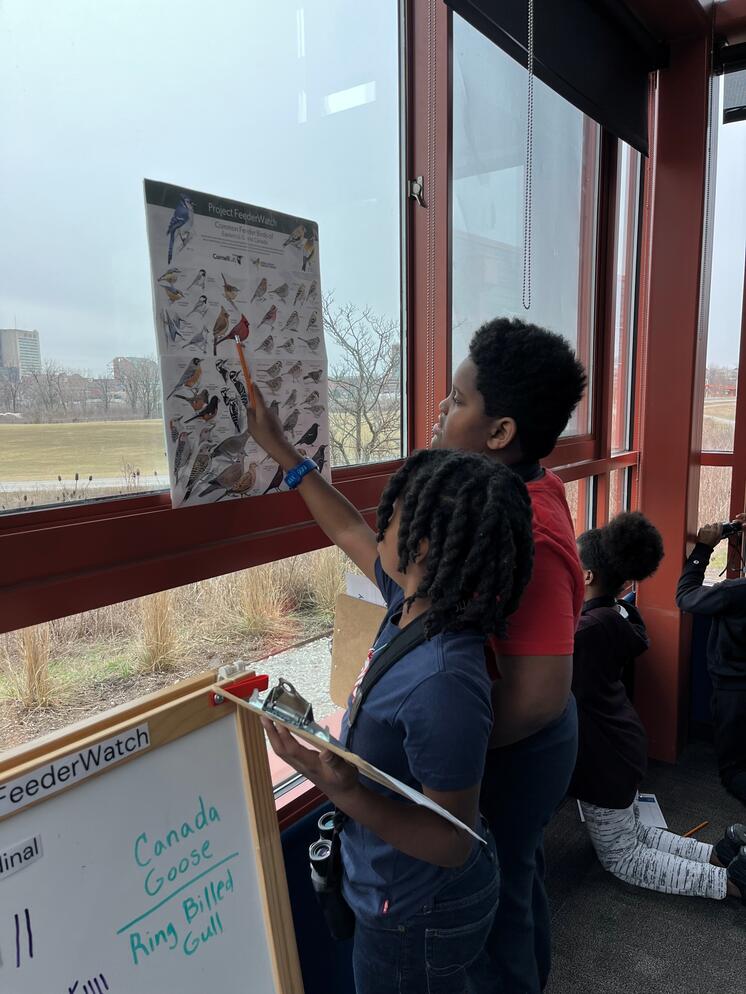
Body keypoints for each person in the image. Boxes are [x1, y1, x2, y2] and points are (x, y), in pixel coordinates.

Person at [245, 390, 535, 994]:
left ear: (423, 549)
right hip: (394, 887)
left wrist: (336, 785)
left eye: (395, 513)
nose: (379, 519)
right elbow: (346, 525)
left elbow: (453, 842)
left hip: (415, 913)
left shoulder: (444, 682)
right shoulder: (416, 602)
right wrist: (282, 451)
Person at [431, 317, 586, 994]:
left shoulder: (534, 532)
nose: (441, 409)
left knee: (497, 903)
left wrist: (447, 752)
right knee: (515, 879)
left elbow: (537, 697)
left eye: (457, 400)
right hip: (510, 739)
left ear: (500, 434)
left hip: (520, 746)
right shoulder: (504, 492)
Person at [570, 511, 746, 902]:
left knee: (623, 855)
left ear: (585, 577)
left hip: (603, 756)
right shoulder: (618, 614)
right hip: (622, 741)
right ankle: (720, 855)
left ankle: (731, 884)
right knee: (634, 830)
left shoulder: (586, 631)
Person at [676, 513, 746, 804]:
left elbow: (685, 597)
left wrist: (703, 549)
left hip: (734, 690)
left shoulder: (735, 593)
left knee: (733, 770)